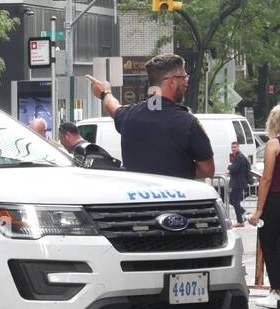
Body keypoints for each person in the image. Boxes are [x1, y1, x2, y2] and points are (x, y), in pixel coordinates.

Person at [87, 53, 215, 180]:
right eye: (184, 78)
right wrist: (180, 169)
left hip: (135, 197)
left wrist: (105, 93)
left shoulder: (129, 115)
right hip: (176, 199)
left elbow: (112, 107)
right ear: (171, 81)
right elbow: (207, 170)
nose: (186, 83)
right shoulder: (188, 123)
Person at [250, 104, 280, 308]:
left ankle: (277, 289)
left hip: (275, 200)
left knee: (269, 244)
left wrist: (259, 210)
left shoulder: (273, 144)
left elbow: (267, 178)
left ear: (274, 120)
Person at [227, 141, 251, 226]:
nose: (233, 149)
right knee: (233, 201)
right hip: (238, 183)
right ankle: (244, 214)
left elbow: (234, 168)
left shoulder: (239, 157)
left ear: (238, 147)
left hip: (238, 183)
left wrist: (229, 167)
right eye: (232, 147)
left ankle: (240, 221)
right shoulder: (239, 156)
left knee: (235, 202)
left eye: (235, 147)